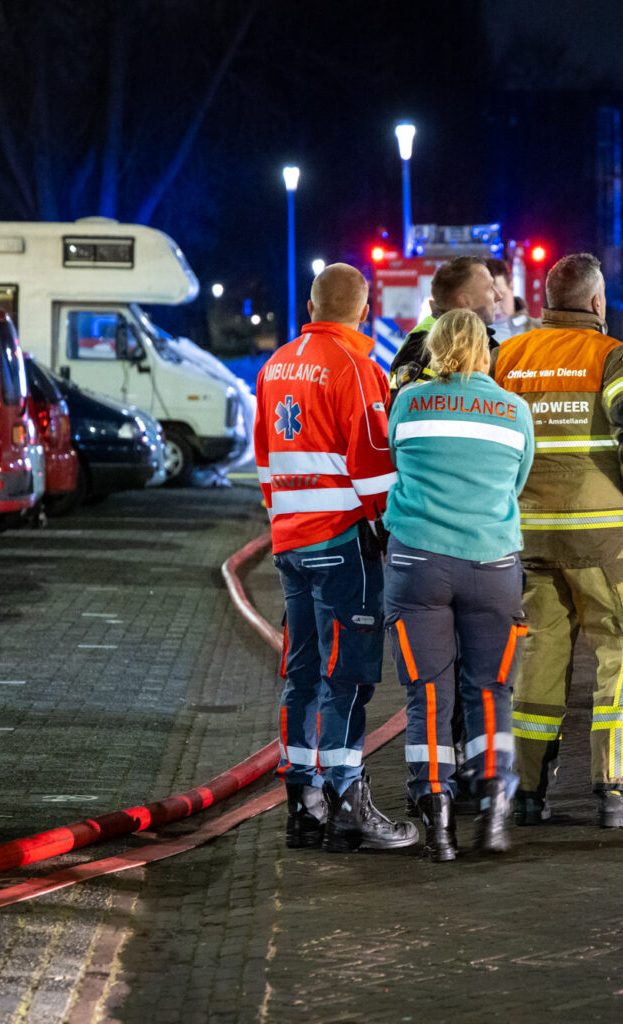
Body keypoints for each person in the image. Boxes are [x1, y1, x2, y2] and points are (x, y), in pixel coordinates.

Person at [493, 252, 623, 829]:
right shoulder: (610, 355)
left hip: (525, 534)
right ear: (597, 302)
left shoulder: (509, 355)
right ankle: (622, 786)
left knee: (539, 655)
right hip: (601, 538)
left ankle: (524, 791)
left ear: (548, 301)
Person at [253, 262, 418, 854]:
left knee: (301, 674)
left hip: (290, 542)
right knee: (345, 678)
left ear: (311, 303)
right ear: (365, 307)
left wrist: (286, 520)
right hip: (343, 543)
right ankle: (348, 799)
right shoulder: (356, 366)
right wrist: (387, 527)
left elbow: (266, 461)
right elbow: (373, 467)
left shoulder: (275, 365)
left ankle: (303, 803)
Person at [383, 309, 535, 861]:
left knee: (427, 693)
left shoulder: (407, 403)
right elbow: (517, 483)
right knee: (490, 689)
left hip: (418, 562)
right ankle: (495, 811)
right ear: (485, 351)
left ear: (433, 349)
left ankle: (437, 819)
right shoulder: (514, 411)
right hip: (492, 566)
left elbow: (397, 459)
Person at [388, 255, 501, 390]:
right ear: (464, 300)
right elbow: (411, 406)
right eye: (489, 288)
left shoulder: (483, 342)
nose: (498, 296)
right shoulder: (422, 348)